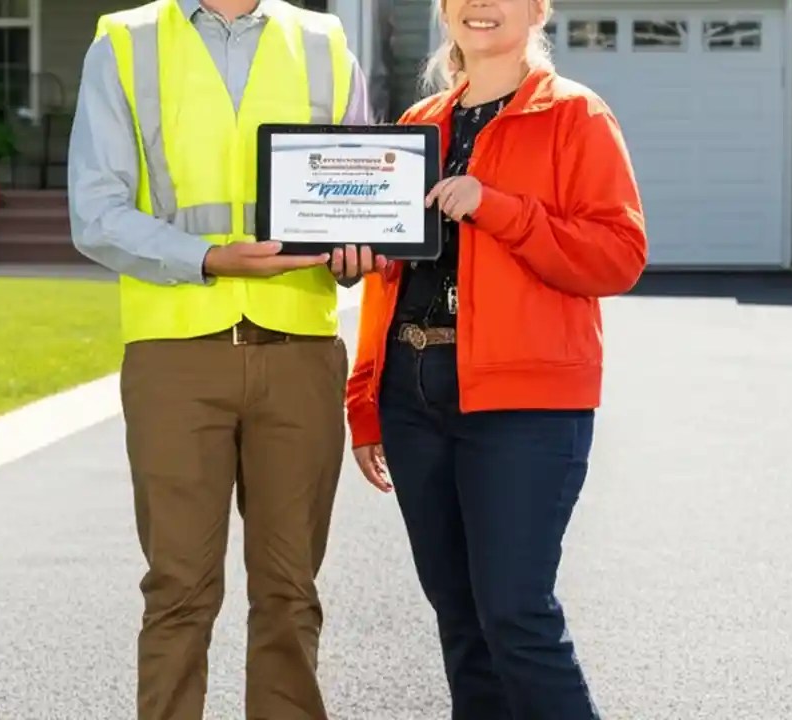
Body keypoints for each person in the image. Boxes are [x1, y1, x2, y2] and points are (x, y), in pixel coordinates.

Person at [67, 0, 382, 717]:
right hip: (177, 354)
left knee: (291, 590)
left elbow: (362, 195)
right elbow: (96, 209)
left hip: (299, 354)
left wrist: (357, 253)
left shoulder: (325, 42)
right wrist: (207, 256)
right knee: (179, 589)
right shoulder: (126, 41)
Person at [345, 0, 648, 718]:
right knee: (460, 622)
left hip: (524, 405)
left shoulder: (575, 115)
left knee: (516, 616)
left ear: (537, 8)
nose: (481, 7)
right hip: (414, 392)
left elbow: (619, 256)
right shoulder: (421, 124)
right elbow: (391, 279)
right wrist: (365, 394)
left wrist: (497, 207)